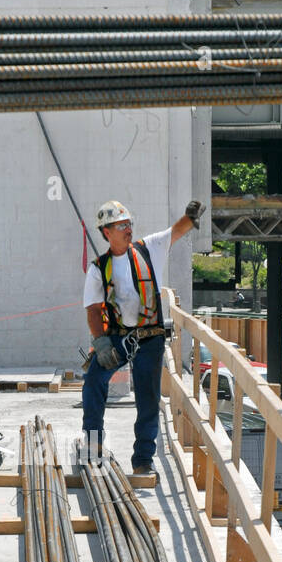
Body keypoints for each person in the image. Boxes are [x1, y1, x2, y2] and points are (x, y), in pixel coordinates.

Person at [81, 198, 203, 474]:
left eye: (129, 223)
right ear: (106, 232)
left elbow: (177, 231)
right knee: (93, 383)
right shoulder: (99, 268)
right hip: (117, 337)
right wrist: (100, 344)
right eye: (121, 225)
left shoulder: (149, 249)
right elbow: (92, 309)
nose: (127, 229)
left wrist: (191, 216)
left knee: (147, 397)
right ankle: (93, 447)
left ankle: (143, 460)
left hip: (149, 337)